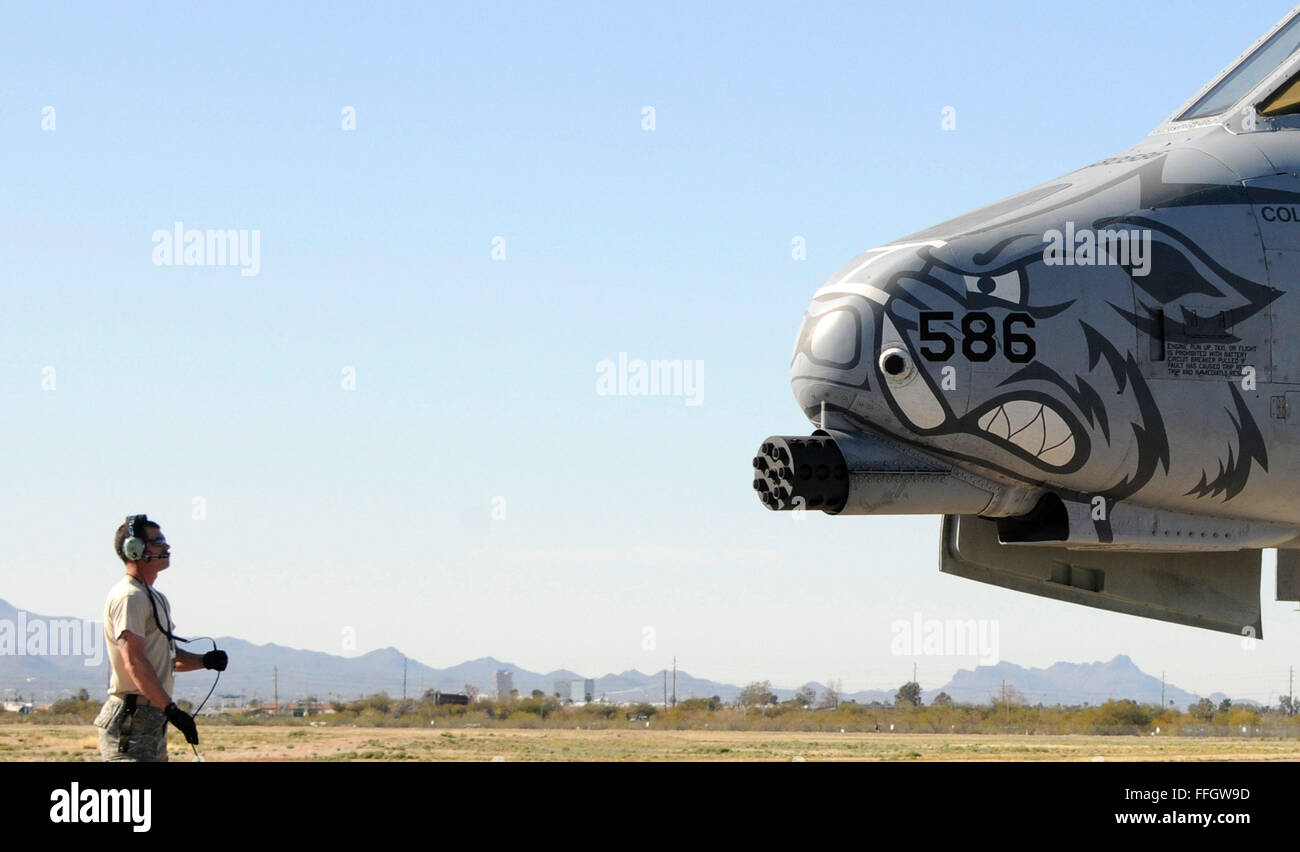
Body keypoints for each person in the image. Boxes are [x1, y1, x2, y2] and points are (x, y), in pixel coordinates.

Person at [93, 514, 228, 761]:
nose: (166, 547)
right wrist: (171, 709)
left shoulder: (154, 597)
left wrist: (204, 661)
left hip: (151, 715)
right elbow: (134, 661)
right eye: (158, 541)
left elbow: (167, 657)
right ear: (134, 550)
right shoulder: (129, 597)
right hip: (132, 715)